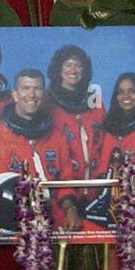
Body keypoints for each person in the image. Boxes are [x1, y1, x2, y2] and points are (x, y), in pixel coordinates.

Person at [0, 69, 78, 242]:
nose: (32, 95)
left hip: (50, 218)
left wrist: (71, 209)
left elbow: (66, 181)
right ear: (15, 95)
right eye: (26, 88)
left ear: (44, 94)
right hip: (7, 224)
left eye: (37, 89)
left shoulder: (57, 138)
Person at [44, 45, 104, 180]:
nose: (73, 70)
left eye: (78, 65)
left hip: (95, 182)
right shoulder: (47, 101)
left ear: (84, 70)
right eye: (68, 65)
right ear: (59, 68)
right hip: (63, 184)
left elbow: (105, 136)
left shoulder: (94, 98)